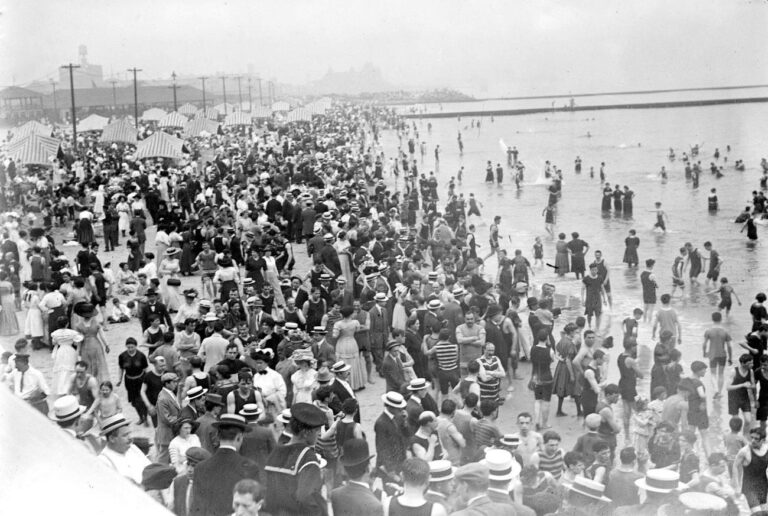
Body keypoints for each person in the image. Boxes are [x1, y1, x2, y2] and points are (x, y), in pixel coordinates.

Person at [264, 403, 328, 516]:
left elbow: (268, 493)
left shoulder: (276, 451)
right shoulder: (308, 457)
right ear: (306, 433)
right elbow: (306, 498)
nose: (319, 434)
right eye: (317, 430)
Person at [190, 414, 260, 516]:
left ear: (218, 436)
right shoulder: (250, 468)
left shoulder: (200, 468)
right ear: (239, 438)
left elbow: (197, 508)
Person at [98, 413, 152, 485]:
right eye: (125, 435)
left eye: (129, 433)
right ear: (112, 439)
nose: (130, 438)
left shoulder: (132, 448)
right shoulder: (103, 461)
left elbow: (150, 468)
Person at [375, 392, 410, 482]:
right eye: (398, 408)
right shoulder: (381, 423)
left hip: (400, 460)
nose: (400, 410)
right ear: (390, 407)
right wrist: (390, 470)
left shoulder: (399, 417)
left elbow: (407, 435)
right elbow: (381, 448)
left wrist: (405, 421)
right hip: (389, 464)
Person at [734, 426, 768, 511]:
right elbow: (735, 466)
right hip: (749, 487)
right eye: (751, 437)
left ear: (763, 441)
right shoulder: (744, 451)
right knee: (757, 514)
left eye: (756, 439)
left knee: (764, 513)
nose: (752, 440)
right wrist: (737, 486)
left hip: (762, 486)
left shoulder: (766, 450)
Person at [156, 372, 182, 464]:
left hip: (171, 432)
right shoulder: (163, 398)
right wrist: (181, 418)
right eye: (174, 382)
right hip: (167, 434)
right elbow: (167, 419)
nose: (176, 384)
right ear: (167, 384)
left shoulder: (170, 393)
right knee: (163, 459)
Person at [581, 264, 607, 330]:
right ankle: (589, 325)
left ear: (597, 270)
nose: (594, 271)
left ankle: (597, 328)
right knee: (589, 315)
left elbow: (602, 289)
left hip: (598, 299)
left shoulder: (600, 278)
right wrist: (582, 300)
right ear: (590, 270)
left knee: (598, 315)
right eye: (593, 270)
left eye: (595, 270)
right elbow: (582, 289)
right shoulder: (586, 278)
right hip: (589, 299)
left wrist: (604, 299)